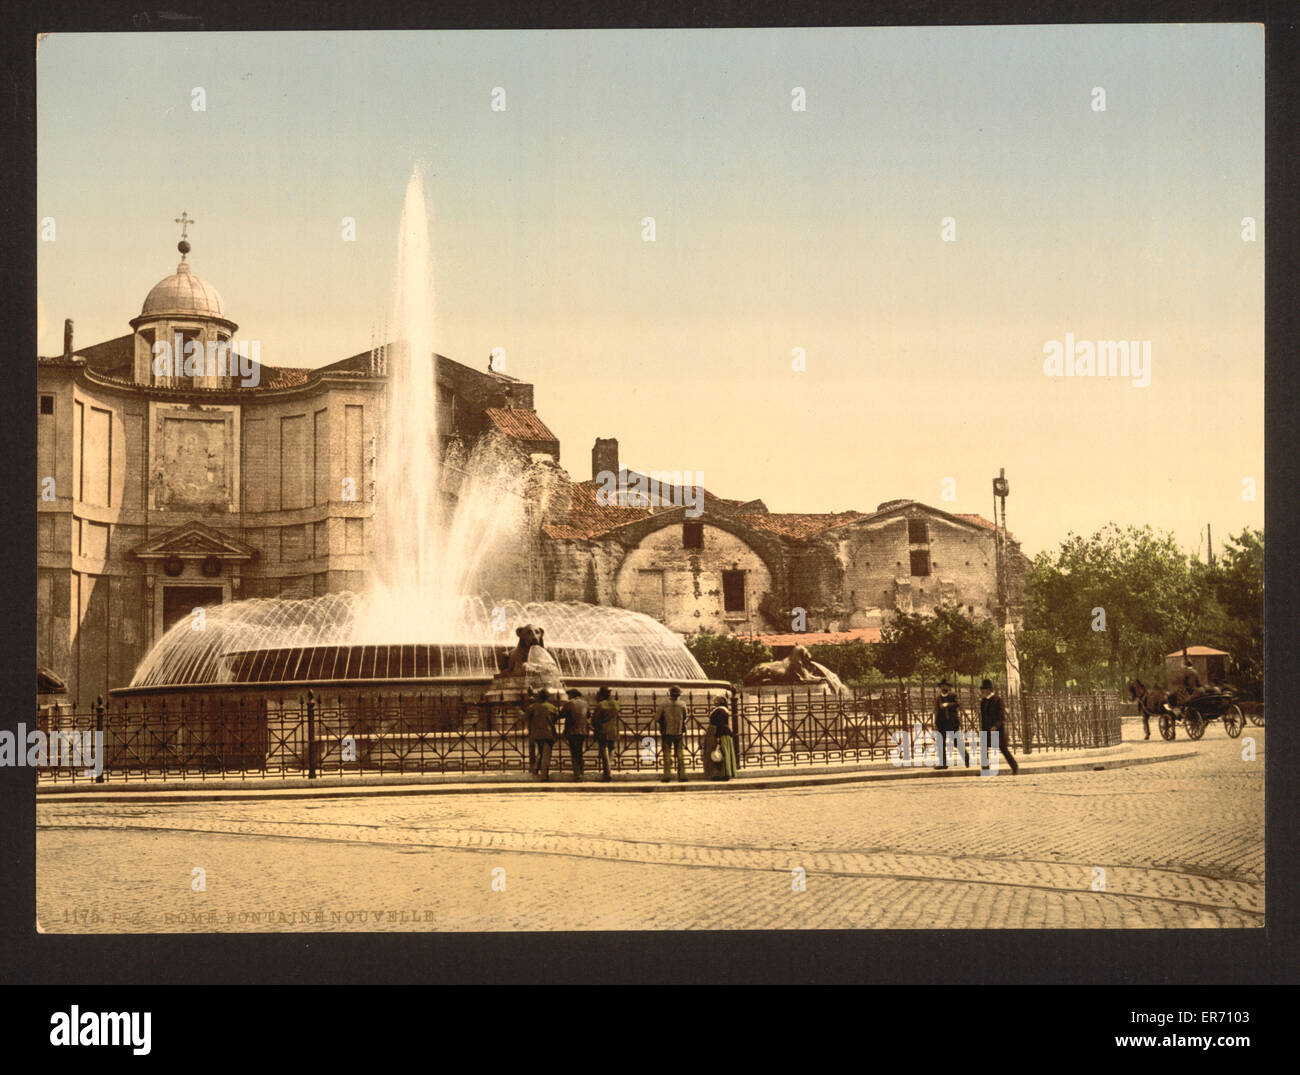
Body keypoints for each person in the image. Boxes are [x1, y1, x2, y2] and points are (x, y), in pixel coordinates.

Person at [979, 677, 1019, 774]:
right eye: (982, 690)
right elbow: (983, 717)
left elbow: (1001, 717)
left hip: (996, 730)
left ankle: (1014, 766)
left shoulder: (997, 700)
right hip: (986, 729)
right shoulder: (983, 701)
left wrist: (996, 726)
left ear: (989, 690)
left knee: (1003, 749)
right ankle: (985, 770)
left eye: (984, 690)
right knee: (984, 748)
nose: (982, 692)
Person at [933, 680, 969, 769]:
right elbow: (936, 711)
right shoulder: (938, 698)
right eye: (942, 686)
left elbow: (958, 704)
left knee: (956, 742)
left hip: (952, 723)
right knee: (941, 743)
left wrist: (947, 705)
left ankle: (966, 757)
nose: (943, 688)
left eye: (945, 686)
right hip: (942, 723)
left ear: (948, 687)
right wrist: (936, 723)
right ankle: (943, 763)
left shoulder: (953, 696)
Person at [525, 688, 559, 781]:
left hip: (537, 733)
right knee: (546, 754)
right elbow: (556, 718)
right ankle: (544, 775)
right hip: (548, 733)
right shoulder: (551, 707)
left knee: (541, 752)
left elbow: (525, 715)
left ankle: (535, 769)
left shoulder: (533, 706)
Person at [702, 694, 738, 781]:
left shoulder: (720, 711)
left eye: (716, 700)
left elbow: (720, 724)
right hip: (720, 733)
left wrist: (718, 737)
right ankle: (722, 773)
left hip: (718, 733)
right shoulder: (722, 710)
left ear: (719, 702)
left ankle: (720, 774)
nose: (714, 702)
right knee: (721, 753)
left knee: (719, 752)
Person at [657, 685, 689, 782]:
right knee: (680, 754)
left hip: (666, 732)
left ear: (669, 694)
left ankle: (667, 776)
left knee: (667, 754)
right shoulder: (683, 704)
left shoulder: (664, 704)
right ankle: (682, 775)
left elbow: (657, 718)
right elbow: (685, 717)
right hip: (678, 732)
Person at [559, 688, 591, 781]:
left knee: (574, 752)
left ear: (572, 695)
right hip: (583, 731)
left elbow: (561, 714)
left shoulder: (570, 703)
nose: (568, 697)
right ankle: (581, 771)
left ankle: (577, 774)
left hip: (572, 731)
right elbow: (588, 715)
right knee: (580, 751)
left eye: (568, 695)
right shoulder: (585, 703)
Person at [591, 685, 620, 782]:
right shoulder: (616, 704)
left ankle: (607, 773)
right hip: (613, 730)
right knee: (611, 751)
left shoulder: (601, 705)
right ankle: (609, 770)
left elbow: (595, 719)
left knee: (604, 752)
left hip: (603, 731)